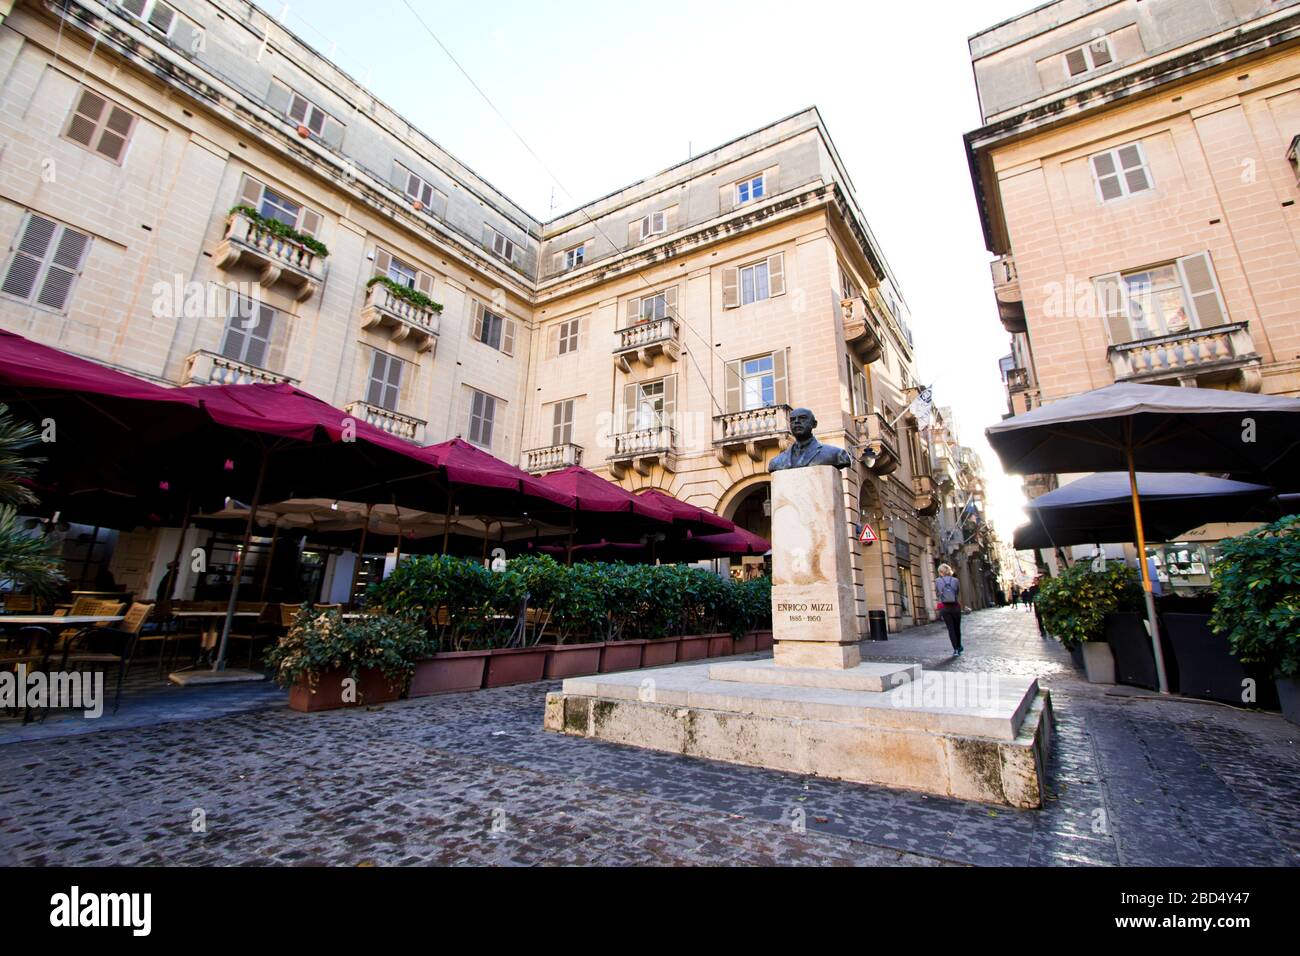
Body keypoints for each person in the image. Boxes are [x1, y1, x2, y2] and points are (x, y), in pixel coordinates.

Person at [935, 563, 963, 656]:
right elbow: (957, 592)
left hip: (944, 608)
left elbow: (937, 593)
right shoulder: (955, 580)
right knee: (957, 628)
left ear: (940, 572)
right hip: (955, 606)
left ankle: (955, 649)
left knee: (950, 629)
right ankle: (959, 646)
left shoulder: (937, 581)